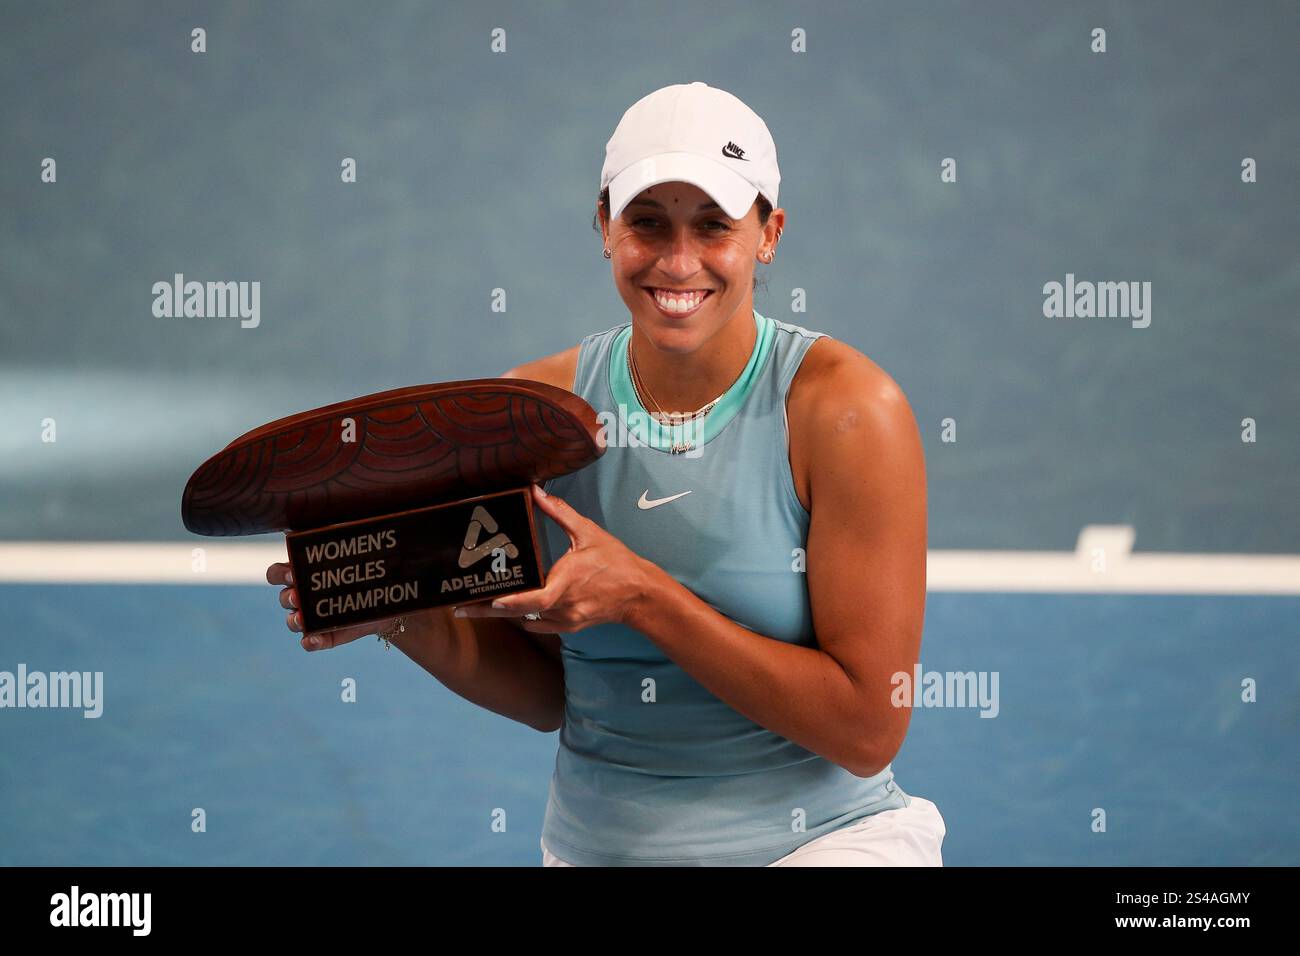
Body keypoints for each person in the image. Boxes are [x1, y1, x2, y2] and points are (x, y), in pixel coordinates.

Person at [267, 81, 944, 866]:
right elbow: (555, 695)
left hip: (826, 847)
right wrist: (401, 614)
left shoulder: (849, 411)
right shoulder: (535, 414)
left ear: (770, 234)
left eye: (714, 227)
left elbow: (867, 731)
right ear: (603, 226)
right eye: (646, 224)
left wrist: (647, 598)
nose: (678, 261)